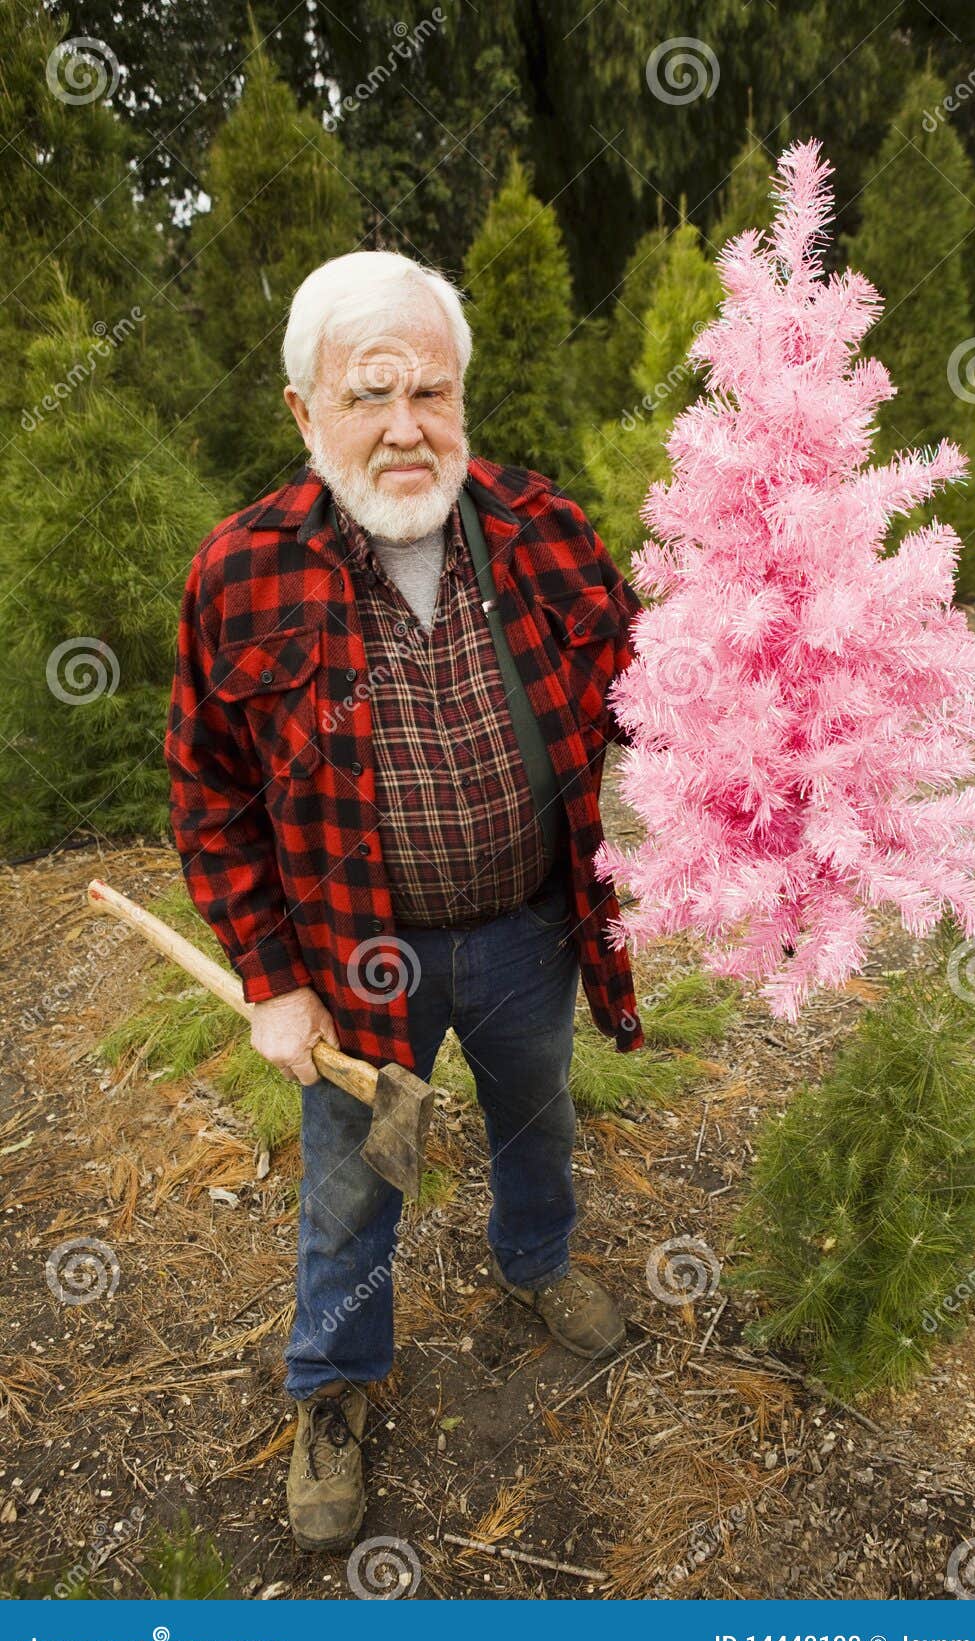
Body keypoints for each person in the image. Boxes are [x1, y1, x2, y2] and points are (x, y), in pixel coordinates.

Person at [164, 249, 646, 1552]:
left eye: (431, 389)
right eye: (369, 392)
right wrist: (269, 974)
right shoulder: (242, 573)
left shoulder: (545, 529)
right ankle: (334, 1383)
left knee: (536, 1120)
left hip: (528, 928)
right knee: (353, 1184)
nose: (405, 425)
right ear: (303, 411)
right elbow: (208, 793)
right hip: (354, 959)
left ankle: (535, 1259)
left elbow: (650, 692)